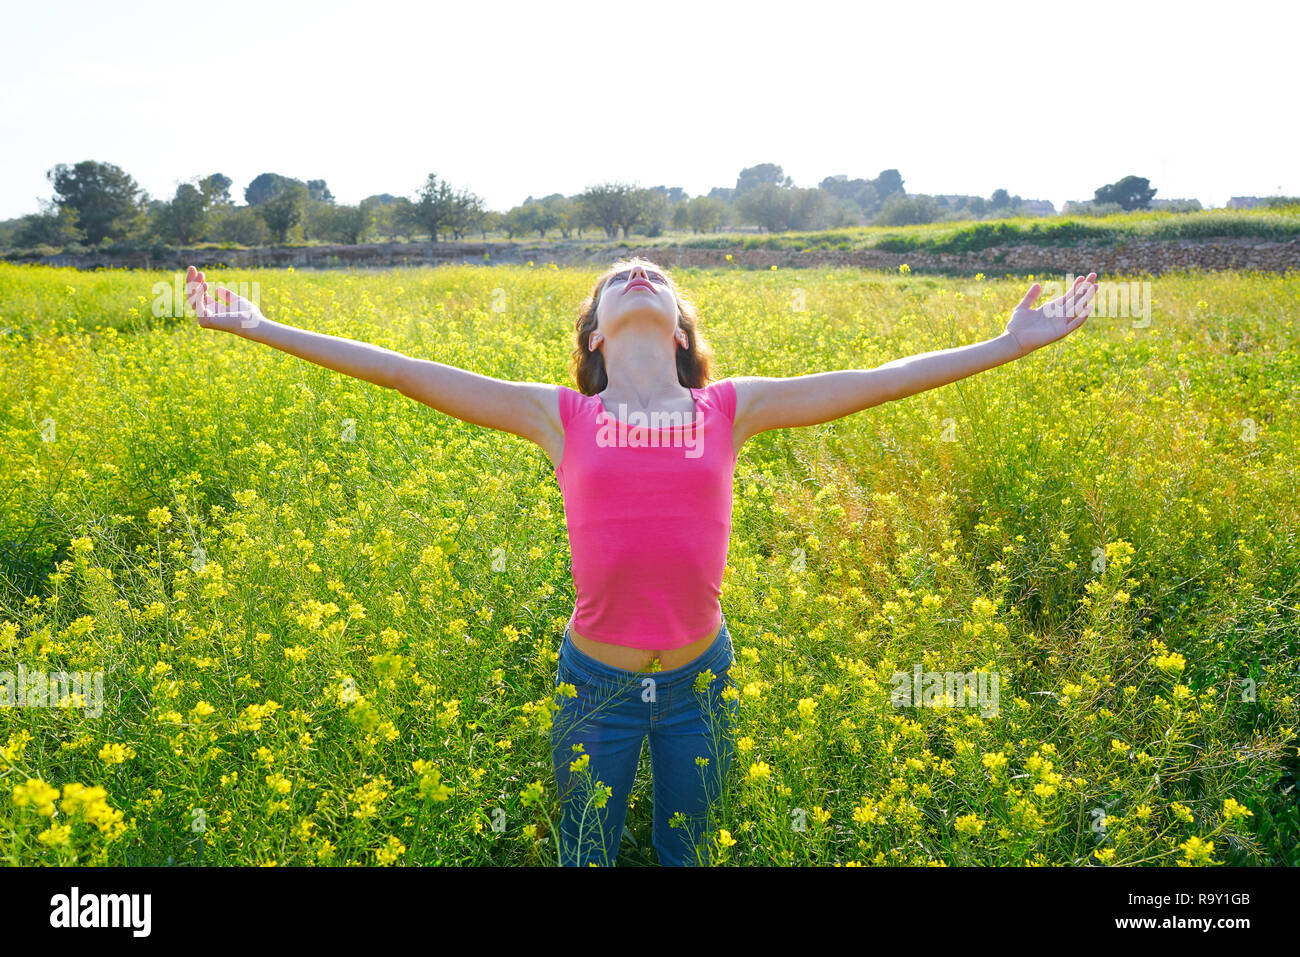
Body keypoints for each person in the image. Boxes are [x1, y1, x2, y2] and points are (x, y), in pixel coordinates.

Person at [185, 257, 1096, 866]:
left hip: (702, 680)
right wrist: (262, 326)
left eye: (654, 273)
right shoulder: (561, 416)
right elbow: (398, 370)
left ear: (681, 326)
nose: (636, 272)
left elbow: (885, 380)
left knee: (686, 853)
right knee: (585, 854)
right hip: (599, 690)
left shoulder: (730, 409)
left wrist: (1008, 344)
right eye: (617, 276)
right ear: (594, 336)